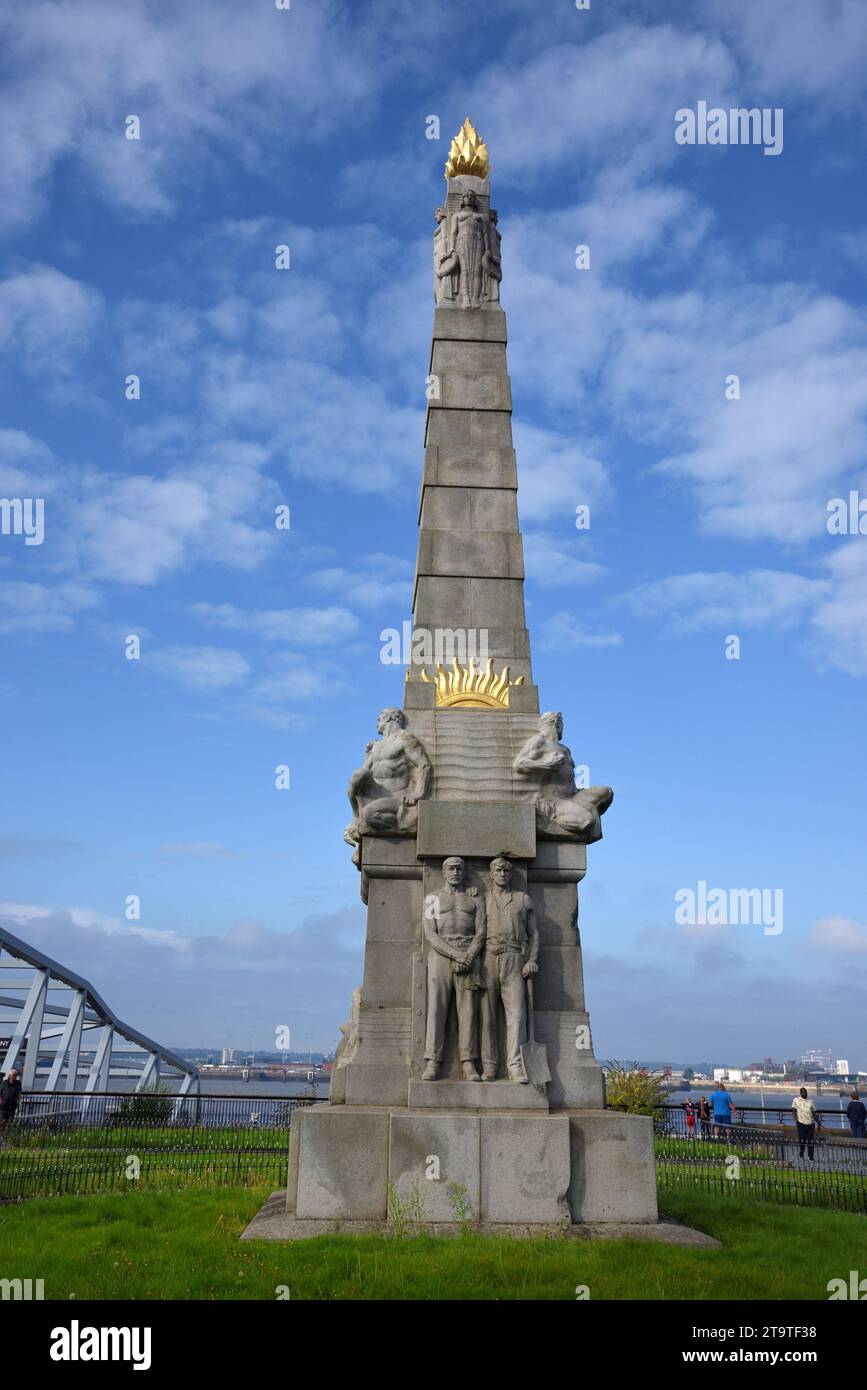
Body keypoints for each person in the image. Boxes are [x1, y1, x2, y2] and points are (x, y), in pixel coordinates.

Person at [480, 856, 539, 1083]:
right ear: (491, 874)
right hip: (488, 958)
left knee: (516, 1016)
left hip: (516, 958)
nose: (502, 874)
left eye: (506, 871)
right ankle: (490, 1066)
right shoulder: (482, 899)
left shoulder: (523, 899)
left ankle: (515, 1066)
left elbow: (534, 934)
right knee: (488, 1017)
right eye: (498, 870)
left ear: (510, 874)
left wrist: (532, 960)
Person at [792, 1086, 819, 1160]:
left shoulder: (811, 1101)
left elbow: (814, 1113)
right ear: (800, 1093)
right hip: (801, 1123)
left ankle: (811, 1157)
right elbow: (793, 1110)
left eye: (805, 1092)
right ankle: (802, 1150)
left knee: (810, 1141)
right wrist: (796, 1119)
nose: (804, 1093)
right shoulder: (796, 1100)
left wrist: (818, 1122)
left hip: (811, 1124)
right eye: (802, 1092)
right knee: (802, 1140)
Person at [0, 1067, 22, 1137]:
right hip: (3, 1106)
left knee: (10, 1121)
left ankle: (7, 1136)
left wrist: (17, 1100)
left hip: (12, 1106)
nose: (15, 1076)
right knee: (2, 1121)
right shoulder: (4, 1083)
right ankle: (1, 1135)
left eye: (16, 1075)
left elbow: (19, 1092)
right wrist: (0, 1100)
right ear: (9, 1075)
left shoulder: (18, 1083)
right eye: (14, 1075)